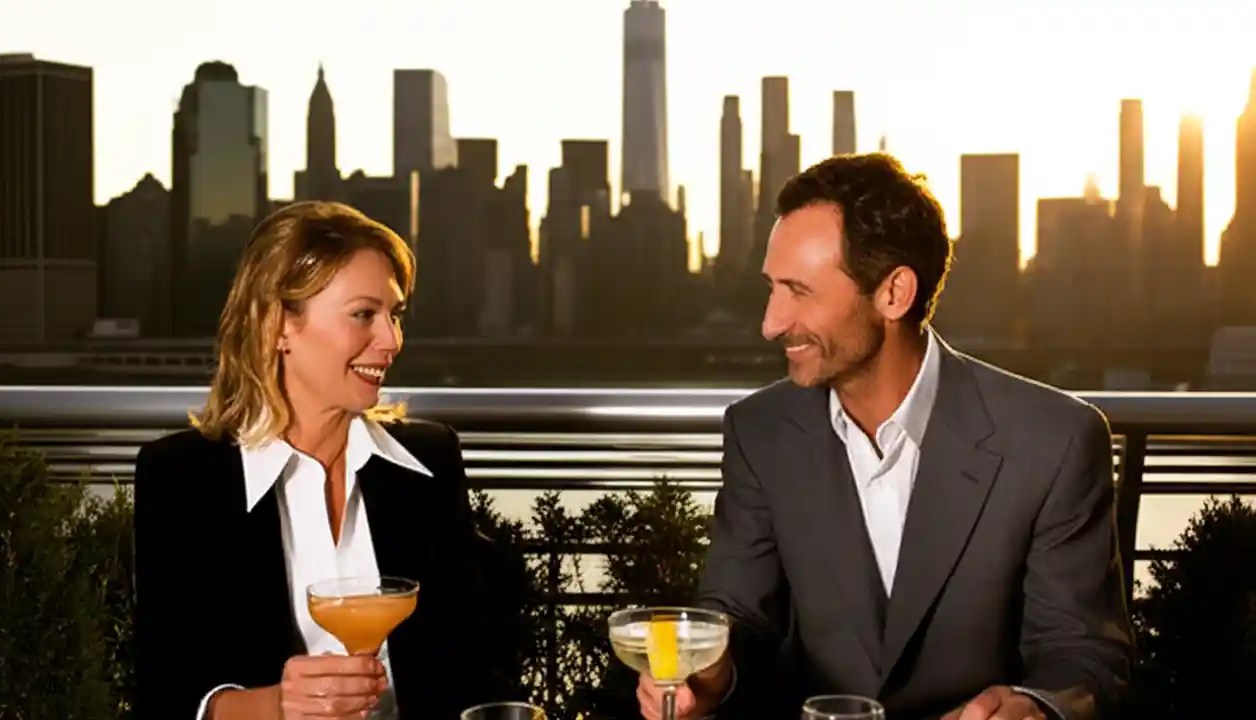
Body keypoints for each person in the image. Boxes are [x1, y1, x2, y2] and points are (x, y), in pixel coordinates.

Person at [635, 154, 1132, 720]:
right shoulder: (760, 432)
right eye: (772, 288)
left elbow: (1084, 658)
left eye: (800, 291)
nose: (771, 323)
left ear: (893, 293)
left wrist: (1037, 707)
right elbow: (740, 619)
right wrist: (710, 675)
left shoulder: (1053, 441)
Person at [135, 201, 522, 719]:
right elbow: (167, 695)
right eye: (364, 314)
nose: (391, 341)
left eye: (395, 315)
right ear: (278, 326)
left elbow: (474, 674)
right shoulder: (183, 478)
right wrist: (278, 705)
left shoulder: (429, 462)